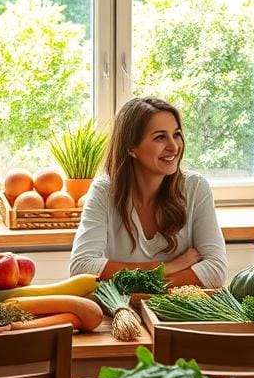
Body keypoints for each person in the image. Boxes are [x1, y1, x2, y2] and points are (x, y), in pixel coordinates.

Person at [69, 97, 227, 287]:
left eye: (176, 134)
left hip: (176, 305)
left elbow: (216, 270)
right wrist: (169, 267)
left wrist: (152, 283)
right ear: (131, 148)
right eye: (160, 137)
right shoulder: (104, 191)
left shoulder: (195, 187)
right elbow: (82, 267)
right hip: (125, 306)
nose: (174, 146)